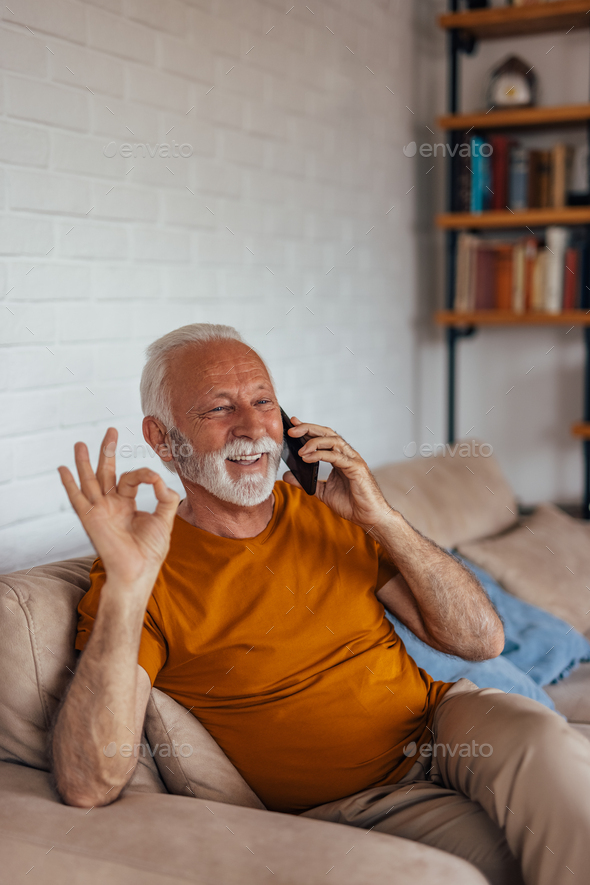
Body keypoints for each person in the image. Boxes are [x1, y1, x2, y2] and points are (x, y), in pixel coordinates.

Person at [51, 323, 590, 885]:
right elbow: (89, 782)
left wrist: (382, 518)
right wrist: (128, 588)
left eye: (264, 401)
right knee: (528, 858)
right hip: (357, 802)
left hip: (446, 726)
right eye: (219, 408)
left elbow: (481, 642)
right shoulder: (140, 570)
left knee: (546, 740)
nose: (253, 427)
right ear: (163, 440)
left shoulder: (324, 509)